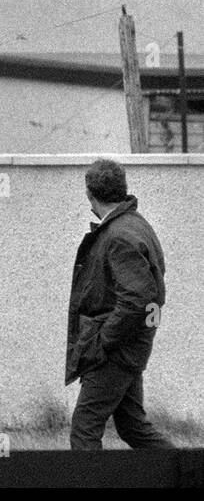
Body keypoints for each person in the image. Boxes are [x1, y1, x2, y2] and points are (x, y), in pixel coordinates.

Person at [66, 159, 173, 451]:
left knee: (85, 428)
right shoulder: (136, 225)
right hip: (129, 347)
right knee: (133, 427)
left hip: (117, 351)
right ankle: (188, 474)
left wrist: (103, 342)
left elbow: (138, 299)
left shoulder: (119, 235)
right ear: (122, 189)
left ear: (90, 194)